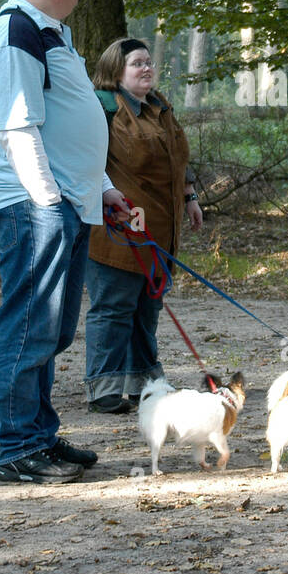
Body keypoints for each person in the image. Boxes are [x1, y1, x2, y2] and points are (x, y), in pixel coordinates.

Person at [0, 0, 130, 483]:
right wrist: (49, 205)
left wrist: (103, 188)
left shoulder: (51, 33)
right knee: (27, 326)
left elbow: (68, 126)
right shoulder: (17, 31)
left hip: (66, 202)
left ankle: (39, 435)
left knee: (53, 329)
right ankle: (17, 449)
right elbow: (19, 127)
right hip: (33, 204)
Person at [83, 38, 201, 413]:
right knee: (114, 306)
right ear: (116, 70)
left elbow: (178, 155)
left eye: (148, 62)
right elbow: (82, 158)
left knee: (147, 307)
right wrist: (103, 196)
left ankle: (143, 385)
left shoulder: (159, 105)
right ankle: (103, 388)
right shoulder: (101, 107)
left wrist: (190, 195)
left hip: (160, 229)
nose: (146, 68)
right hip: (115, 226)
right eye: (137, 64)